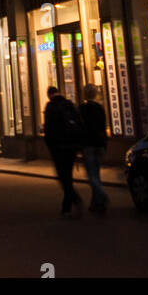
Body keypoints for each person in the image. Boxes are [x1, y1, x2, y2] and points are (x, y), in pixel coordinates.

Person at [43, 86, 83, 216]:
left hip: (59, 148)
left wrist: (51, 146)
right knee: (68, 175)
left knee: (63, 176)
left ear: (49, 95)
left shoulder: (50, 107)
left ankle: (75, 199)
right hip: (71, 146)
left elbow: (48, 129)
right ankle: (66, 206)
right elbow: (79, 123)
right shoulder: (69, 104)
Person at [79, 83, 108, 214]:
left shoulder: (82, 109)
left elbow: (80, 128)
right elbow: (103, 127)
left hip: (88, 145)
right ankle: (96, 203)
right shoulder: (100, 108)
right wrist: (105, 144)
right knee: (96, 174)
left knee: (91, 175)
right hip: (100, 144)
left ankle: (101, 195)